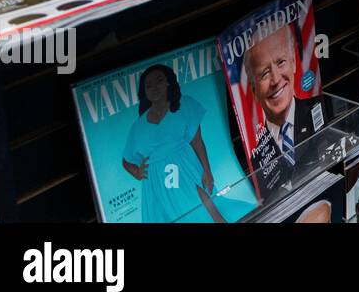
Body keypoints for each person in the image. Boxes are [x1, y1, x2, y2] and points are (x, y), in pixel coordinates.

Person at [121, 63, 248, 223]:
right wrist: (136, 172)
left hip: (185, 166)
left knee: (208, 210)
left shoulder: (184, 104)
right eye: (149, 85)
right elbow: (126, 161)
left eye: (159, 80)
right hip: (156, 182)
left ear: (168, 82)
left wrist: (207, 171)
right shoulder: (138, 126)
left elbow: (197, 141)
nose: (154, 87)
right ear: (144, 91)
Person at [243, 25, 323, 198]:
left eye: (281, 62)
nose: (276, 79)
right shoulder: (255, 161)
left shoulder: (321, 109)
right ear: (254, 91)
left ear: (293, 62)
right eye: (264, 74)